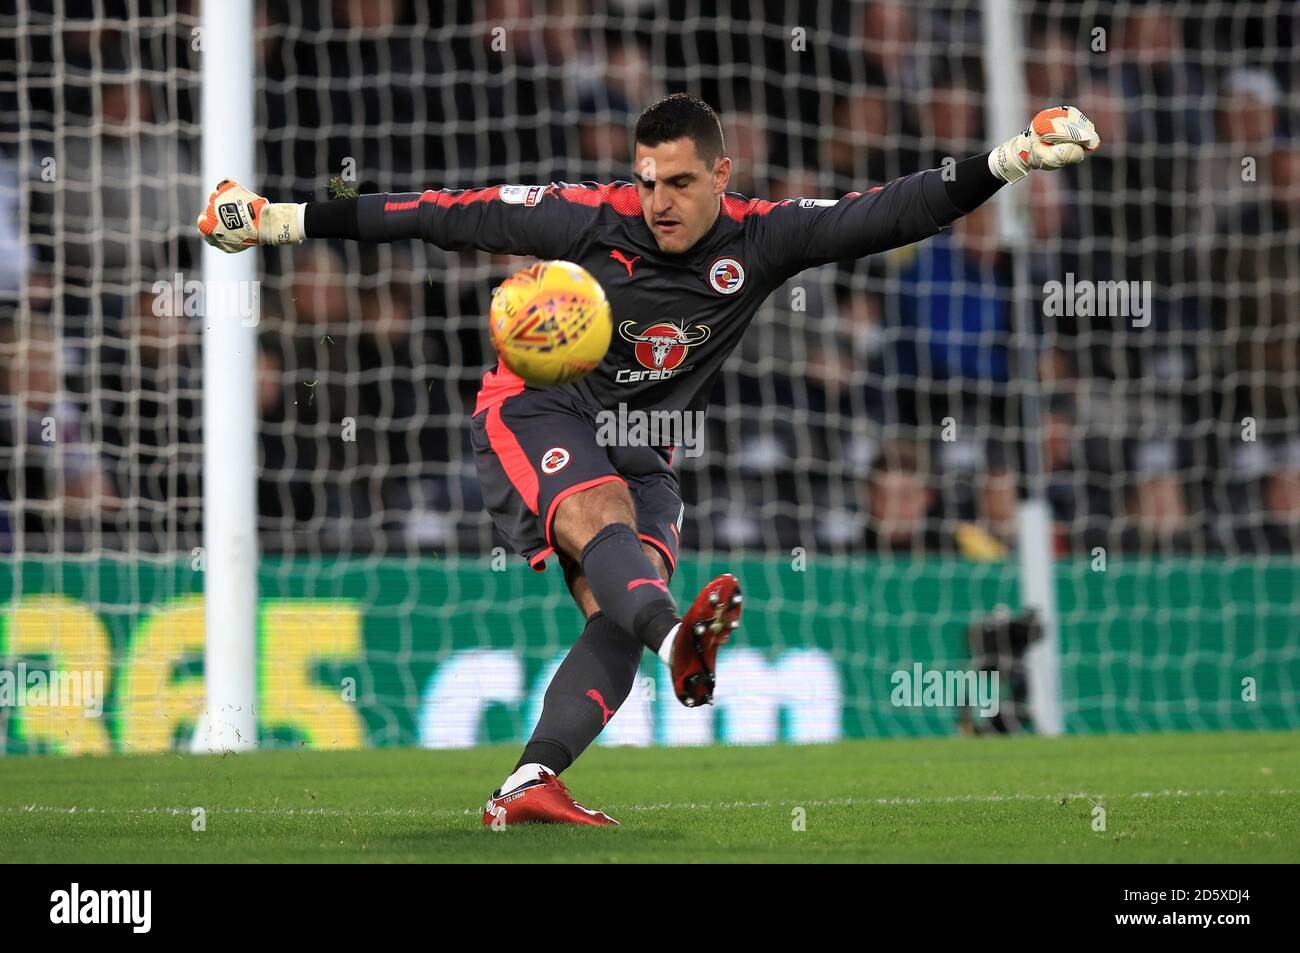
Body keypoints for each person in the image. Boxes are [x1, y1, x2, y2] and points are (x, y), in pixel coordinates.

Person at [197, 93, 1099, 826]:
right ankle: (682, 642)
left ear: (721, 175)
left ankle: (528, 781)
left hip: (645, 446)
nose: (658, 201)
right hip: (535, 406)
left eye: (677, 182)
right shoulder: (588, 218)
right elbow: (441, 212)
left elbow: (887, 211)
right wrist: (277, 220)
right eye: (646, 180)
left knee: (612, 611)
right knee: (608, 531)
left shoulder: (763, 237)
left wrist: (1010, 158)